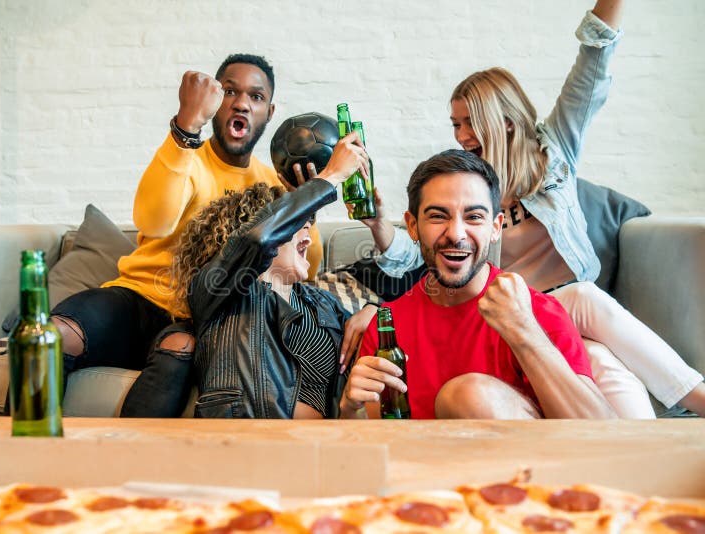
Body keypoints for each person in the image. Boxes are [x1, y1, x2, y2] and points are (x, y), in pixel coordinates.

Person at [360, 0, 705, 417]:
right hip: (510, 309)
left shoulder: (551, 153)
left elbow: (590, 73)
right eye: (455, 124)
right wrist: (378, 226)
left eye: (470, 121)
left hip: (556, 310)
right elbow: (423, 253)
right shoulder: (469, 188)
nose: (462, 135)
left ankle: (689, 409)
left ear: (504, 119)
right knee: (602, 362)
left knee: (588, 311)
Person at [50, 53, 324, 417]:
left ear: (269, 113)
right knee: (52, 336)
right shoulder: (185, 154)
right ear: (213, 101)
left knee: (179, 348)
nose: (241, 102)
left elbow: (305, 267)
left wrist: (303, 205)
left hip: (202, 318)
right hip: (137, 299)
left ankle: (137, 466)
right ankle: (19, 455)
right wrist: (186, 125)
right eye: (230, 91)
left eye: (255, 97)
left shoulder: (273, 183)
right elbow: (154, 221)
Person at [341, 150, 616, 420]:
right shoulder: (386, 330)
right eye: (438, 216)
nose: (456, 234)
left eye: (473, 217)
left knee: (468, 395)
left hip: (525, 464)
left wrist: (525, 332)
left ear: (496, 227)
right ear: (412, 226)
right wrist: (350, 409)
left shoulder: (537, 311)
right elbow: (377, 441)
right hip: (425, 462)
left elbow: (599, 434)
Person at [175, 133, 369, 418]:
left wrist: (374, 311)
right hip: (249, 445)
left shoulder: (322, 305)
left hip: (323, 452)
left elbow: (370, 346)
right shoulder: (219, 291)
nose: (308, 232)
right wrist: (331, 176)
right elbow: (257, 238)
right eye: (298, 224)